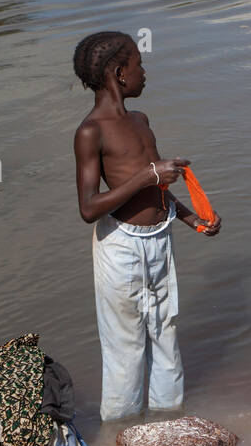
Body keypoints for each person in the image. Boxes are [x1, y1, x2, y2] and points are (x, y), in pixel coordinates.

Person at [72, 31, 221, 421]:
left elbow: (157, 190)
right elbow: (89, 208)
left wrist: (192, 219)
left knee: (165, 333)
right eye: (139, 64)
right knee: (126, 346)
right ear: (120, 73)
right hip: (121, 245)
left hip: (160, 239)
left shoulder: (140, 120)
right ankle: (121, 436)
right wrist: (148, 175)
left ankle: (168, 427)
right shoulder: (91, 131)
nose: (145, 72)